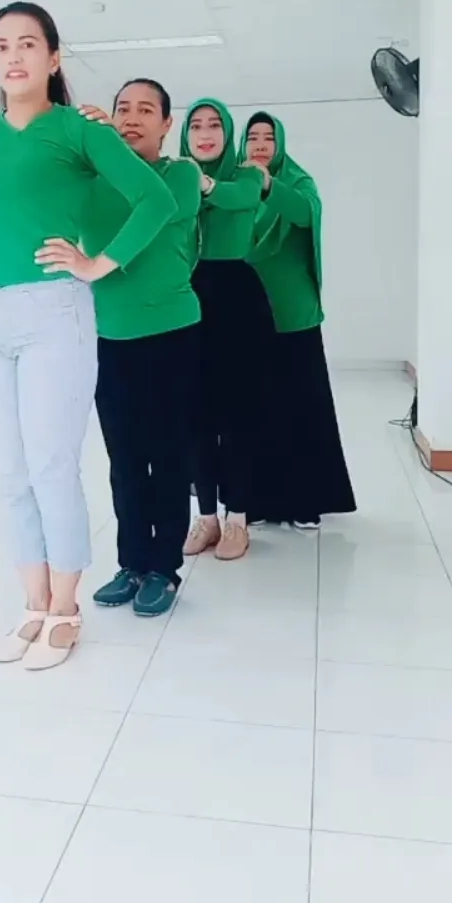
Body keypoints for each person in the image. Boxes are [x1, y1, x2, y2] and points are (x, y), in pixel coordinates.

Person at [0, 2, 175, 670]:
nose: (13, 56)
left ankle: (66, 606)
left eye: (28, 44)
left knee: (50, 464)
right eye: (1, 45)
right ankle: (32, 603)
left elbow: (156, 199)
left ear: (53, 58)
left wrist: (98, 263)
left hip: (53, 312)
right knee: (8, 470)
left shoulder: (78, 128)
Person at [76, 80, 201, 616]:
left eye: (145, 110)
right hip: (110, 336)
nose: (130, 118)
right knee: (124, 458)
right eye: (122, 108)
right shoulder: (94, 179)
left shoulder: (181, 176)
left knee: (167, 456)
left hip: (172, 332)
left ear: (166, 124)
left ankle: (163, 569)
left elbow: (153, 210)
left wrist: (107, 145)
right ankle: (131, 563)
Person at [239, 112, 357, 527]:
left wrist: (269, 185)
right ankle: (257, 500)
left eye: (268, 138)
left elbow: (306, 214)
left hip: (294, 316)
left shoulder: (297, 181)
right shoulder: (236, 184)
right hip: (247, 314)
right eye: (253, 137)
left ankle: (305, 500)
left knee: (301, 409)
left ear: (280, 144)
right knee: (255, 410)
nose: (260, 145)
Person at [180, 99, 275, 561]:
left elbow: (241, 198)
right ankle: (206, 517)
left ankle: (238, 518)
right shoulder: (175, 177)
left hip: (237, 298)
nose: (205, 133)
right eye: (196, 125)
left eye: (214, 125)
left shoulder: (247, 174)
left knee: (238, 414)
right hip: (187, 298)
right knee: (194, 414)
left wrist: (204, 184)